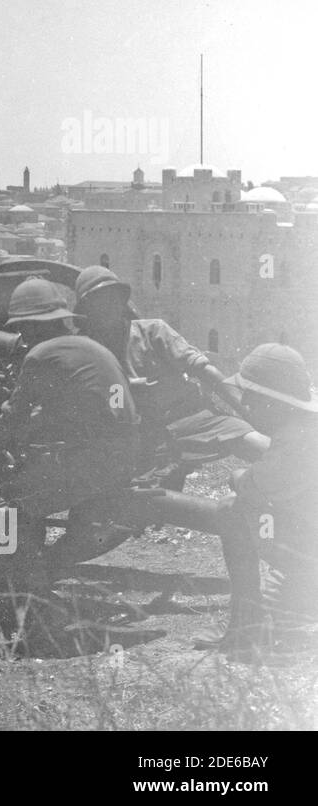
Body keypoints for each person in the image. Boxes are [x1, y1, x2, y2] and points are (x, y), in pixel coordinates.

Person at [0, 278, 140, 576]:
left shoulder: (40, 355)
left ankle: (27, 583)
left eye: (23, 328)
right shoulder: (91, 346)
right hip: (127, 449)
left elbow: (13, 416)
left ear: (31, 325)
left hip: (99, 458)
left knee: (17, 499)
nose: (23, 335)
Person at [73, 265, 258, 475]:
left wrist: (250, 414)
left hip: (190, 419)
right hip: (138, 438)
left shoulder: (152, 332)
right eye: (98, 301)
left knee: (254, 442)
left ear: (121, 301)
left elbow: (205, 371)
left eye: (112, 298)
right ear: (87, 309)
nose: (108, 307)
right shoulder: (85, 350)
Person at [203, 344, 318, 657]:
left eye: (253, 395)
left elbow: (250, 487)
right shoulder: (304, 428)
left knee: (231, 508)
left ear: (273, 401)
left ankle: (247, 621)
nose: (247, 402)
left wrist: (238, 475)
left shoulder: (295, 440)